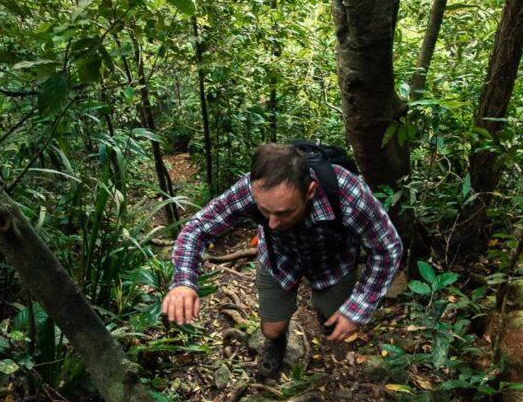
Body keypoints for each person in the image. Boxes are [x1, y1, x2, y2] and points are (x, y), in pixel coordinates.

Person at [161, 143, 403, 378]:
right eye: (264, 211)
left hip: (333, 260)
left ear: (310, 191)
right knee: (271, 329)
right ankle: (277, 342)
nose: (272, 223)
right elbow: (197, 229)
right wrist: (183, 281)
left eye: (284, 212)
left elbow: (387, 248)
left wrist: (358, 307)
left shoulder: (347, 192)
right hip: (279, 258)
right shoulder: (251, 188)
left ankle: (323, 311)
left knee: (333, 315)